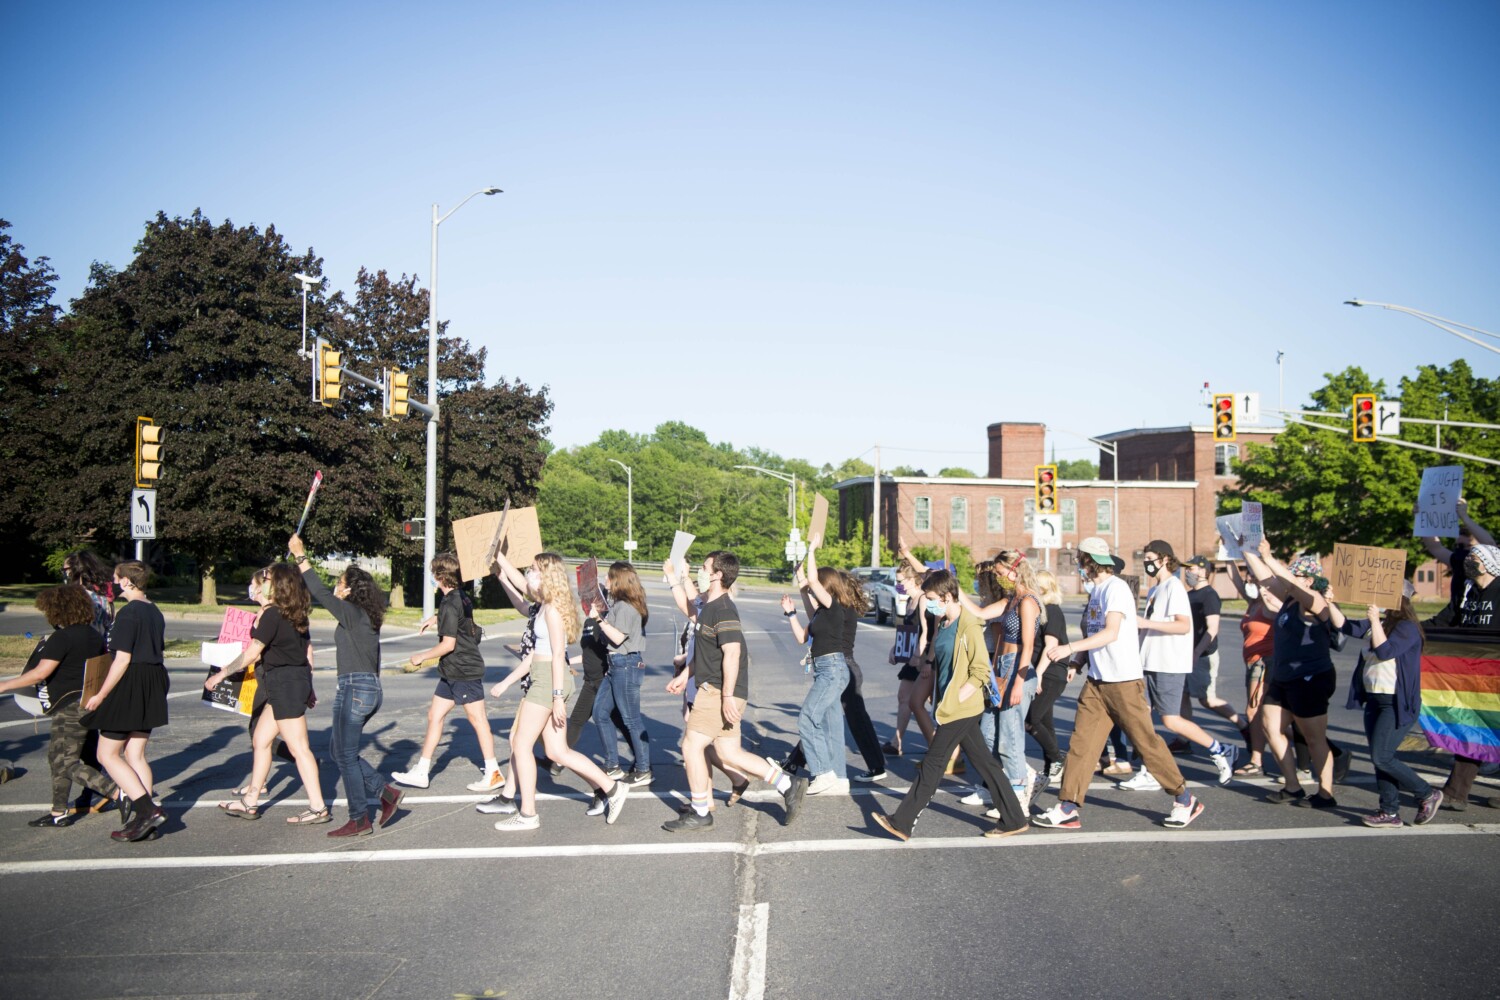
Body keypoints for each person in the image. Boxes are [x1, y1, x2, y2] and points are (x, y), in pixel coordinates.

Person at [1033, 537, 1204, 831]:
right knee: (1082, 745)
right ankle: (1068, 808)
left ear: (1091, 560)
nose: (1077, 565)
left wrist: (1069, 649)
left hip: (1123, 681)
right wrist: (1077, 662)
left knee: (1146, 743)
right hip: (1098, 683)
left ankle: (1185, 799)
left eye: (1079, 559)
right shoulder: (1097, 591)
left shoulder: (1116, 589)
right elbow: (1094, 632)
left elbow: (1111, 632)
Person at [871, 569, 1028, 841]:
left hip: (961, 709)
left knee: (933, 764)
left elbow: (979, 671)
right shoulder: (943, 623)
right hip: (951, 706)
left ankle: (902, 822)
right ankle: (1014, 818)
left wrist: (955, 700)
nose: (929, 604)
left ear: (947, 596)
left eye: (932, 599)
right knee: (986, 765)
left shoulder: (968, 625)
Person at [663, 551, 806, 832]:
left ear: (717, 575)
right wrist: (685, 675)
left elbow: (732, 652)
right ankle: (788, 784)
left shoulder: (724, 609)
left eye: (704, 569)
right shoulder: (709, 606)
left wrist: (727, 696)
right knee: (728, 752)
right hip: (719, 689)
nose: (700, 573)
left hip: (718, 691)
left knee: (691, 746)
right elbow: (707, 653)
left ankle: (701, 811)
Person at [492, 552, 629, 831]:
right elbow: (523, 589)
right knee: (557, 751)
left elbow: (557, 656)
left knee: (520, 744)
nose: (529, 574)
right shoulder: (543, 604)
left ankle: (528, 814)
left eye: (533, 570)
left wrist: (556, 699)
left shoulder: (552, 609)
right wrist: (501, 560)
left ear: (546, 575)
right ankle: (612, 788)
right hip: (546, 678)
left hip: (548, 681)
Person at [290, 535, 404, 837]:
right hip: (363, 687)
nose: (335, 587)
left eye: (339, 583)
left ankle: (359, 818)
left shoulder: (352, 613)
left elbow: (320, 594)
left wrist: (301, 558)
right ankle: (386, 795)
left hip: (356, 688)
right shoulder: (364, 618)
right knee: (339, 750)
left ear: (351, 590)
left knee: (345, 754)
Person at [207, 562, 330, 825]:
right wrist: (308, 687)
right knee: (261, 740)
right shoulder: (295, 614)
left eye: (266, 578)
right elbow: (305, 654)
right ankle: (250, 801)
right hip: (288, 683)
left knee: (299, 749)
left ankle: (318, 807)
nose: (261, 581)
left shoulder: (274, 614)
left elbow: (253, 653)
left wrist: (221, 674)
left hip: (285, 684)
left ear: (277, 584)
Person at [1123, 540, 1238, 791]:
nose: (1147, 563)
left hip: (1168, 663)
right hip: (1149, 662)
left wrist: (1145, 624)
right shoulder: (1156, 590)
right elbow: (1146, 627)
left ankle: (1220, 750)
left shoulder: (1174, 588)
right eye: (1145, 558)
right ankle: (1150, 770)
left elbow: (1183, 625)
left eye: (1151, 558)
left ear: (1164, 559)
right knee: (1143, 717)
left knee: (1171, 720)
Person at [0, 585, 119, 827]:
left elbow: (40, 673)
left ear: (57, 610)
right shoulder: (91, 634)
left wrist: (4, 685)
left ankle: (120, 793)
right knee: (58, 757)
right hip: (87, 703)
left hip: (69, 707)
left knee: (65, 762)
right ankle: (59, 812)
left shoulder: (62, 638)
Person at [1241, 540, 1345, 808]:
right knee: (1270, 726)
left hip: (1311, 678)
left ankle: (1325, 793)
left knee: (1314, 738)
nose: (1291, 578)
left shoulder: (1315, 602)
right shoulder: (1288, 598)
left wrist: (1269, 556)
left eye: (1297, 574)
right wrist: (1246, 550)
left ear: (1309, 580)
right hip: (1285, 677)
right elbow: (1266, 579)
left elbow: (1284, 577)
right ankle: (1292, 786)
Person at [391, 552, 503, 793]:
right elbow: (461, 620)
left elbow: (448, 644)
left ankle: (493, 773)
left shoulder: (451, 602)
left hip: (464, 670)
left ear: (440, 576)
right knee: (435, 715)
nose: (431, 577)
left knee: (478, 720)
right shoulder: (459, 597)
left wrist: (422, 656)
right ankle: (421, 771)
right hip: (451, 671)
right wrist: (435, 618)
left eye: (433, 573)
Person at [80, 561, 170, 842]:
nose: (114, 583)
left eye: (117, 578)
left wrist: (100, 694)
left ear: (128, 582)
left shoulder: (129, 613)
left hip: (131, 682)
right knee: (135, 754)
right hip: (153, 680)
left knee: (106, 754)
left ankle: (147, 810)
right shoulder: (153, 610)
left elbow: (122, 659)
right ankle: (147, 819)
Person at [1343, 584, 1442, 827]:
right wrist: (1328, 603)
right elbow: (1345, 627)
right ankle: (1389, 812)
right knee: (1380, 757)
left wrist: (1375, 619)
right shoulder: (1380, 624)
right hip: (1375, 700)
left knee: (1381, 757)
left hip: (1396, 703)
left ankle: (1427, 793)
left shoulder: (1406, 628)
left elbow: (1386, 651)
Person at [1423, 542, 1500, 809]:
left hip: (1496, 675)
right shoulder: (1467, 592)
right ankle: (1456, 792)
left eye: (1475, 558)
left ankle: (1456, 791)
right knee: (1474, 729)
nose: (1469, 561)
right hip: (1475, 677)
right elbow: (1441, 622)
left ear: (1490, 564)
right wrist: (1407, 628)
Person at [779, 552, 853, 796]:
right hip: (826, 670)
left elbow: (812, 581)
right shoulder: (821, 613)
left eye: (815, 587)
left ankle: (823, 773)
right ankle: (840, 779)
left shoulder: (834, 608)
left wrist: (811, 549)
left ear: (825, 586)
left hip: (832, 669)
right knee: (831, 726)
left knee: (807, 718)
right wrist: (791, 613)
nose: (811, 592)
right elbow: (802, 637)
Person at [588, 561, 653, 788]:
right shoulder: (619, 605)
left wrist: (598, 619)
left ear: (618, 580)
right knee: (600, 713)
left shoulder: (626, 607)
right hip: (616, 665)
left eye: (608, 578)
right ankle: (612, 765)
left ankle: (643, 769)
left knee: (631, 719)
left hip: (626, 664)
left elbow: (617, 638)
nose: (606, 581)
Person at [1183, 557, 1251, 748]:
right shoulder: (1188, 595)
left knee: (1207, 700)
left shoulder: (1209, 595)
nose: (1188, 572)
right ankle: (1183, 739)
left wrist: (1197, 652)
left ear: (1204, 571)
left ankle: (1243, 725)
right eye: (1187, 569)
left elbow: (1212, 629)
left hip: (1203, 656)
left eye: (1192, 569)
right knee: (1183, 695)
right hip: (1186, 655)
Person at [1024, 570, 1072, 789]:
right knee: (1046, 722)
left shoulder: (1052, 611)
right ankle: (1051, 766)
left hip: (1051, 672)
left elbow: (1051, 647)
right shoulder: (1040, 611)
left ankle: (1057, 758)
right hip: (1043, 671)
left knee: (1030, 719)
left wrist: (1039, 675)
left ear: (1042, 589)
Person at [1226, 560, 1275, 775]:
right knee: (1269, 716)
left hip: (1264, 660)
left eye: (1252, 575)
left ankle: (1256, 760)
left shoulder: (1270, 602)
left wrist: (1265, 587)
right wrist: (1228, 555)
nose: (1247, 579)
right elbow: (1235, 579)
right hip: (1251, 661)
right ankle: (1324, 748)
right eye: (1247, 575)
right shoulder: (1253, 602)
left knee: (1253, 710)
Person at [883, 561, 933, 758]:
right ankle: (897, 742)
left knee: (925, 702)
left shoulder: (922, 599)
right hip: (912, 657)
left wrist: (918, 656)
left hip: (924, 656)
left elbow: (926, 632)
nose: (898, 585)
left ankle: (941, 745)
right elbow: (907, 632)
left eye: (900, 581)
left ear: (913, 580)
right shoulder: (908, 601)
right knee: (904, 697)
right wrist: (896, 648)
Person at [1418, 497, 1493, 618]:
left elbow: (1490, 544)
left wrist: (1464, 517)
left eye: (1470, 546)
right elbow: (1435, 547)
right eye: (1459, 546)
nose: (1464, 551)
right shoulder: (1459, 560)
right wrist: (1422, 517)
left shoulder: (1493, 564)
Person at [63, 549, 115, 637]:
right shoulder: (103, 593)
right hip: (102, 643)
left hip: (83, 644)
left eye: (65, 570)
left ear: (75, 570)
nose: (65, 574)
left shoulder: (78, 596)